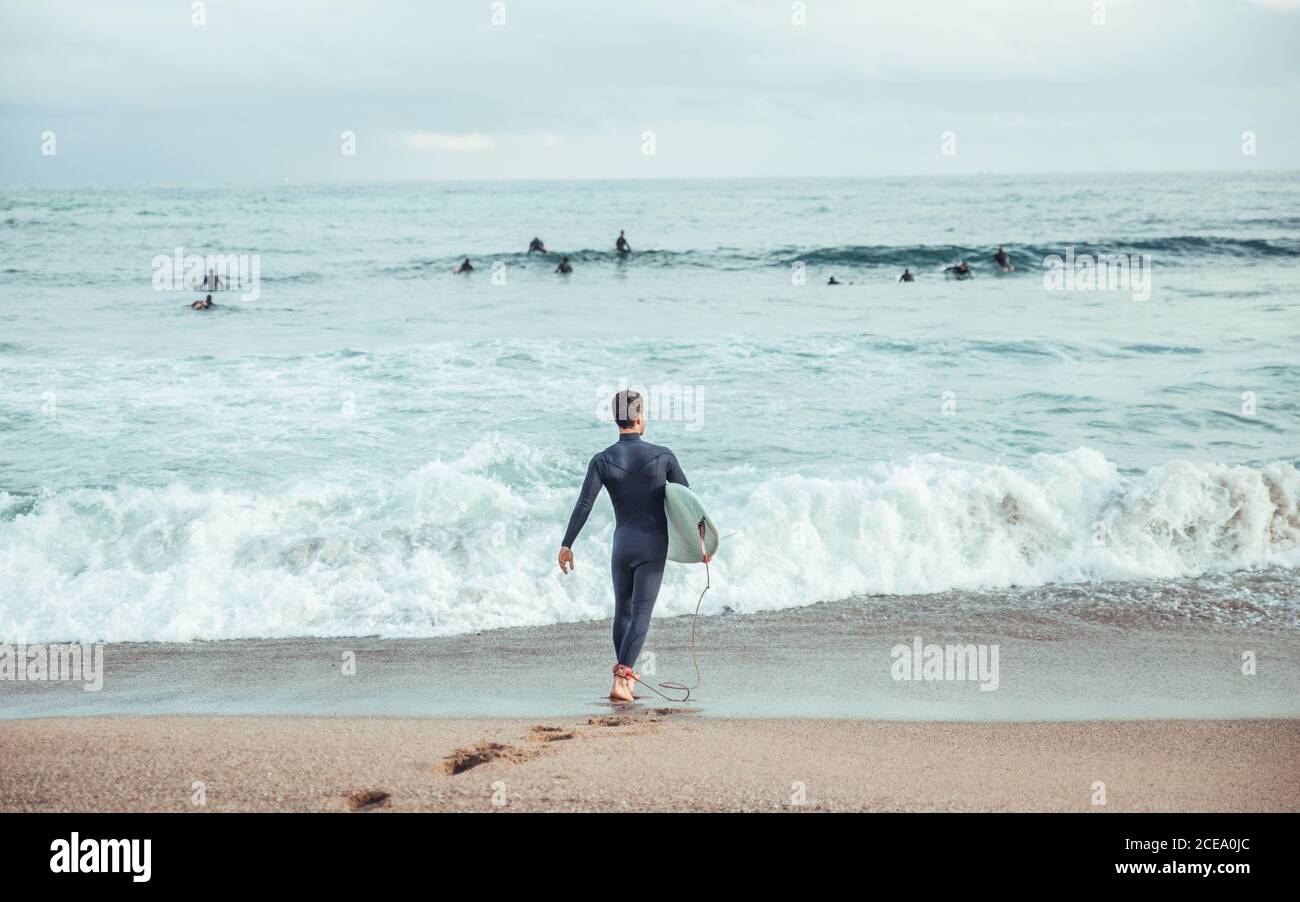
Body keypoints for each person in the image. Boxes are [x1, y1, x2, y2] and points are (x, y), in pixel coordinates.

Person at [559, 390, 691, 702]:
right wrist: (701, 543)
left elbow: (584, 505)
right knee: (642, 613)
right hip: (652, 546)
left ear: (615, 418)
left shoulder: (602, 459)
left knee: (623, 611)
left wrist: (567, 544)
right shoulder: (663, 456)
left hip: (622, 546)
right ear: (640, 415)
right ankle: (621, 679)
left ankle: (627, 679)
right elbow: (687, 503)